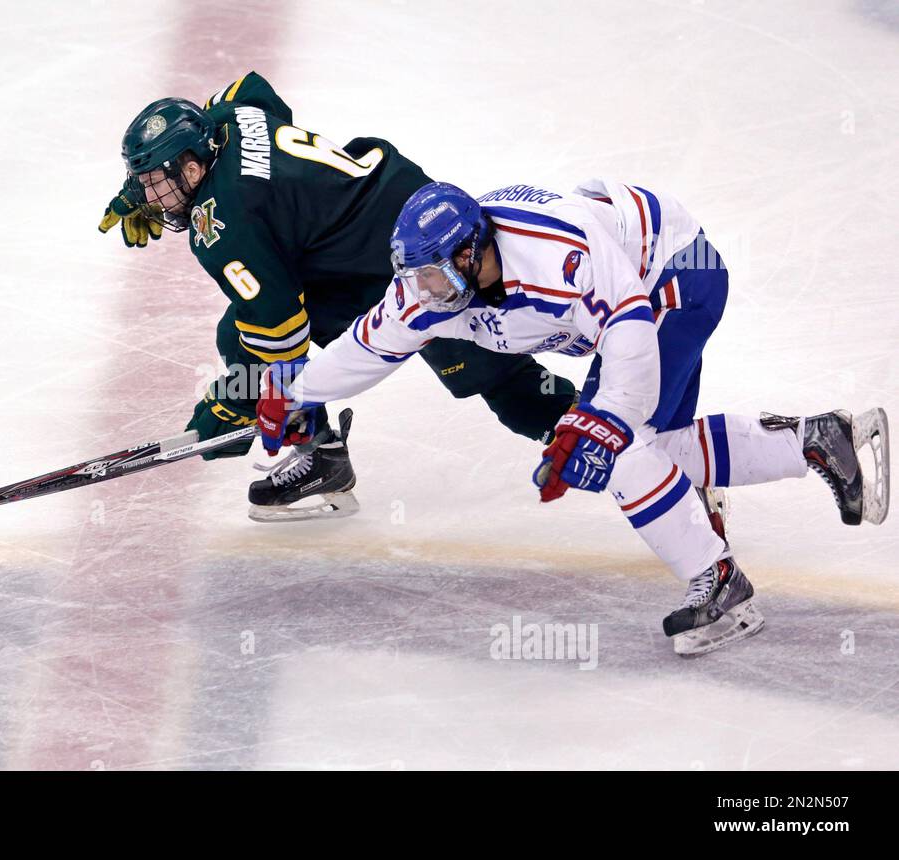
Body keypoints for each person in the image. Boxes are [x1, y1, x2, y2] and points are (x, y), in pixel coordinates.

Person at [258, 179, 889, 655]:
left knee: (620, 448)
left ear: (475, 253)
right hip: (632, 302)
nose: (423, 294)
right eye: (415, 279)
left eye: (433, 277)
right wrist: (301, 392)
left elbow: (630, 326)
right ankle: (817, 441)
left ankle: (718, 579)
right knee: (650, 448)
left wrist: (604, 418)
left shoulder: (556, 253)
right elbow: (373, 342)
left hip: (674, 276)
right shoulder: (434, 283)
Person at [98, 72, 579, 521]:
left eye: (156, 183)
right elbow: (254, 90)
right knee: (240, 336)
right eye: (145, 183)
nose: (152, 198)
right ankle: (321, 455)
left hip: (421, 257)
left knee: (503, 380)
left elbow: (281, 328)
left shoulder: (223, 224)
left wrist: (234, 406)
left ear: (192, 164)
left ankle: (602, 432)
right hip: (379, 219)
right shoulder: (224, 120)